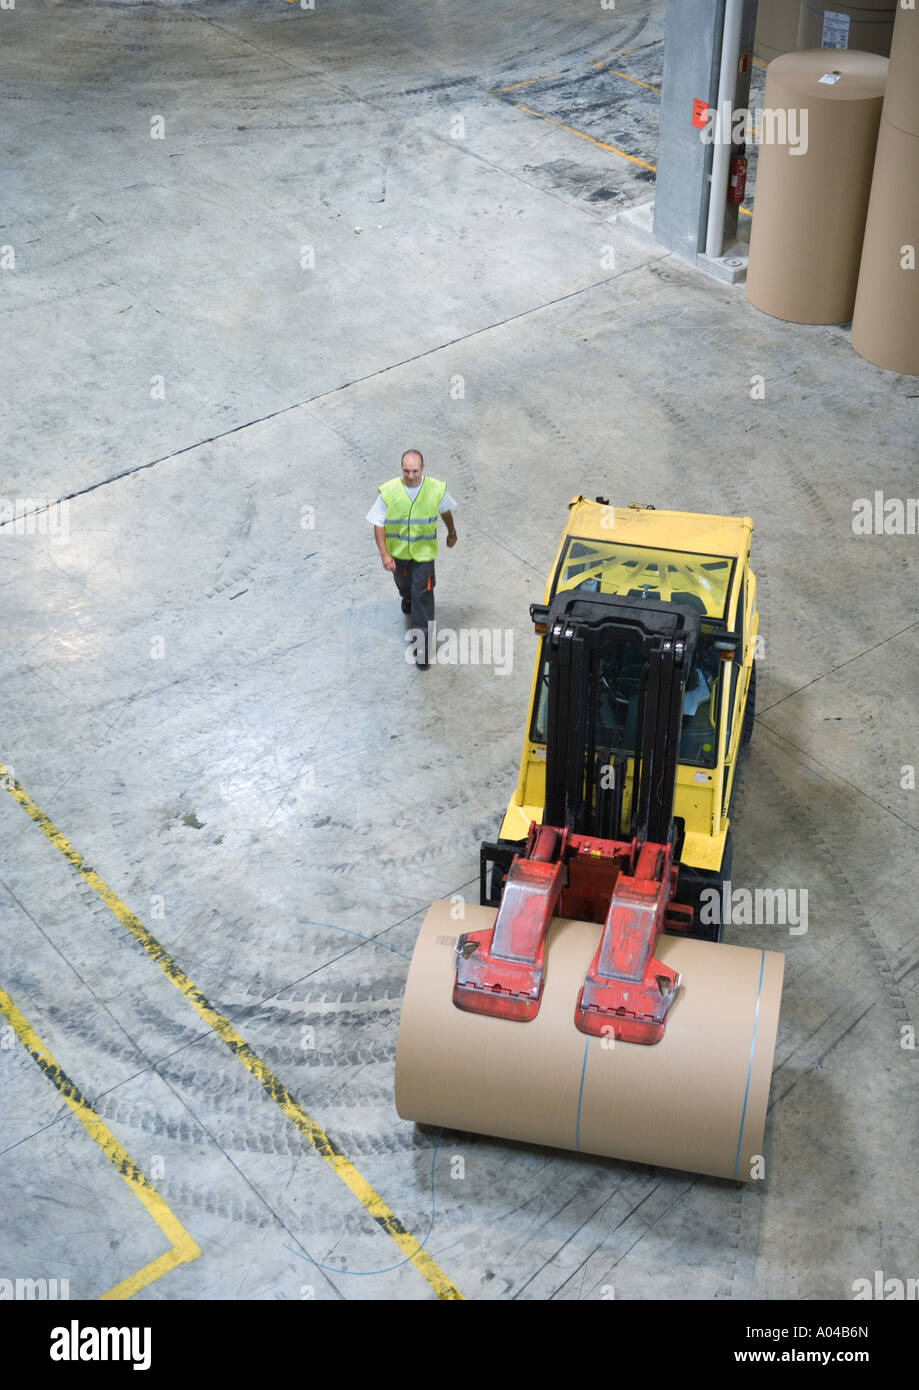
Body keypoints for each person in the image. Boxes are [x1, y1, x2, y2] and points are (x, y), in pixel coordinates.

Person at [367, 449, 457, 669]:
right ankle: (406, 599)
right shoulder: (389, 491)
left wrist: (452, 531)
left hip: (424, 555)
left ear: (422, 469)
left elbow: (445, 510)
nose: (411, 476)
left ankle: (422, 650)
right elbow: (378, 523)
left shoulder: (436, 489)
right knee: (406, 589)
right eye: (406, 471)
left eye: (415, 471)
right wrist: (384, 555)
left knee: (423, 597)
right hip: (398, 555)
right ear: (401, 469)